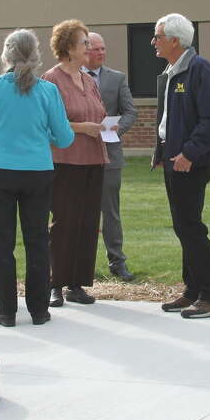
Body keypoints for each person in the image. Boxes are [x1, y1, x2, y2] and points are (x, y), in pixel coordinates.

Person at [0, 30, 74, 327]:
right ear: (36, 56)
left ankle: (7, 312)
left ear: (6, 55)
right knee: (37, 240)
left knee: (1, 241)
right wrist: (42, 134)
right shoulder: (48, 91)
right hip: (38, 171)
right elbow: (64, 138)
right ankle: (39, 311)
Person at [149, 13, 210, 319]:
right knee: (183, 227)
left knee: (190, 227)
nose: (153, 42)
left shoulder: (199, 69)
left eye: (157, 36)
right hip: (174, 159)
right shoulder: (173, 70)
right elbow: (170, 119)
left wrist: (189, 153)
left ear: (174, 40)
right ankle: (192, 290)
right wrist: (162, 152)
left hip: (190, 162)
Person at [42, 20, 108, 307]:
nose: (89, 48)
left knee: (88, 222)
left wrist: (103, 127)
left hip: (94, 158)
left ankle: (77, 284)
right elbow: (46, 124)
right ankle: (55, 283)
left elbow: (98, 113)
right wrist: (82, 128)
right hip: (65, 160)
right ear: (68, 48)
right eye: (84, 43)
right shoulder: (51, 79)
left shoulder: (90, 80)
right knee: (64, 222)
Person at [83, 31, 137, 281]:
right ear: (84, 51)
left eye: (103, 48)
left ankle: (117, 262)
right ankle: (82, 264)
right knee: (81, 212)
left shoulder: (117, 79)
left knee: (111, 212)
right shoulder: (70, 79)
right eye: (96, 49)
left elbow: (129, 112)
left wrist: (119, 127)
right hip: (79, 155)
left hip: (110, 155)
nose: (101, 53)